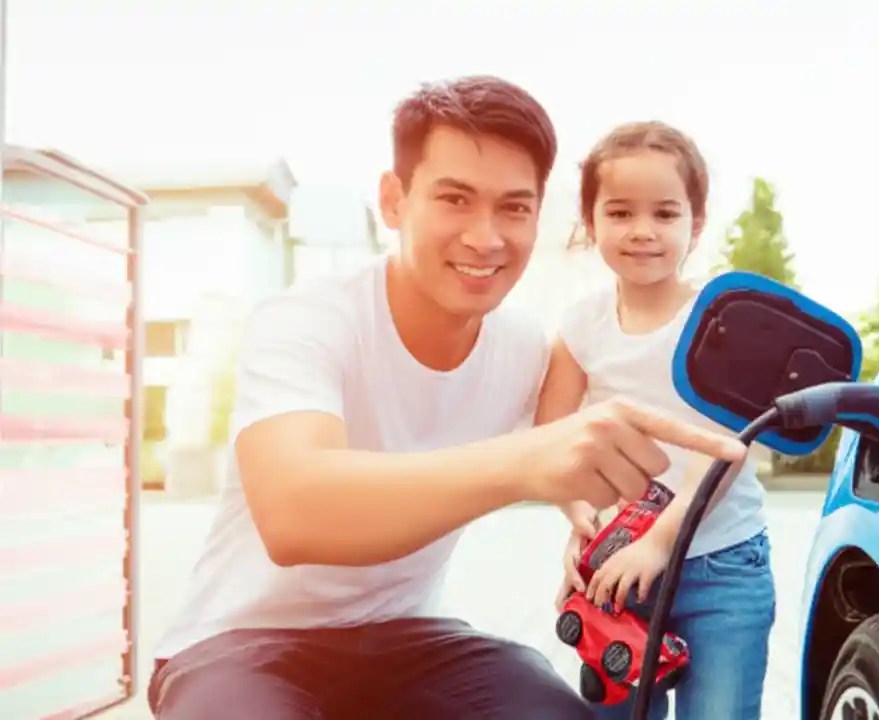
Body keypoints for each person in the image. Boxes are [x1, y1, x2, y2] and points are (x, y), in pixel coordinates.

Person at [146, 77, 745, 720]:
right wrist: (524, 465)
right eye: (455, 199)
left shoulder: (523, 350)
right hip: (237, 646)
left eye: (514, 208)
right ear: (394, 201)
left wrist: (601, 526)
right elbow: (293, 513)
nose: (485, 237)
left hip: (406, 639)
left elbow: (633, 398)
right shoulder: (307, 319)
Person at [538, 121, 776, 720]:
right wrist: (581, 525)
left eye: (665, 214)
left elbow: (725, 445)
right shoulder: (582, 325)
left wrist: (660, 543)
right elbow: (551, 439)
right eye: (619, 213)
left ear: (695, 226)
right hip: (618, 573)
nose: (642, 231)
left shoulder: (720, 318)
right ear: (590, 223)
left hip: (723, 566)